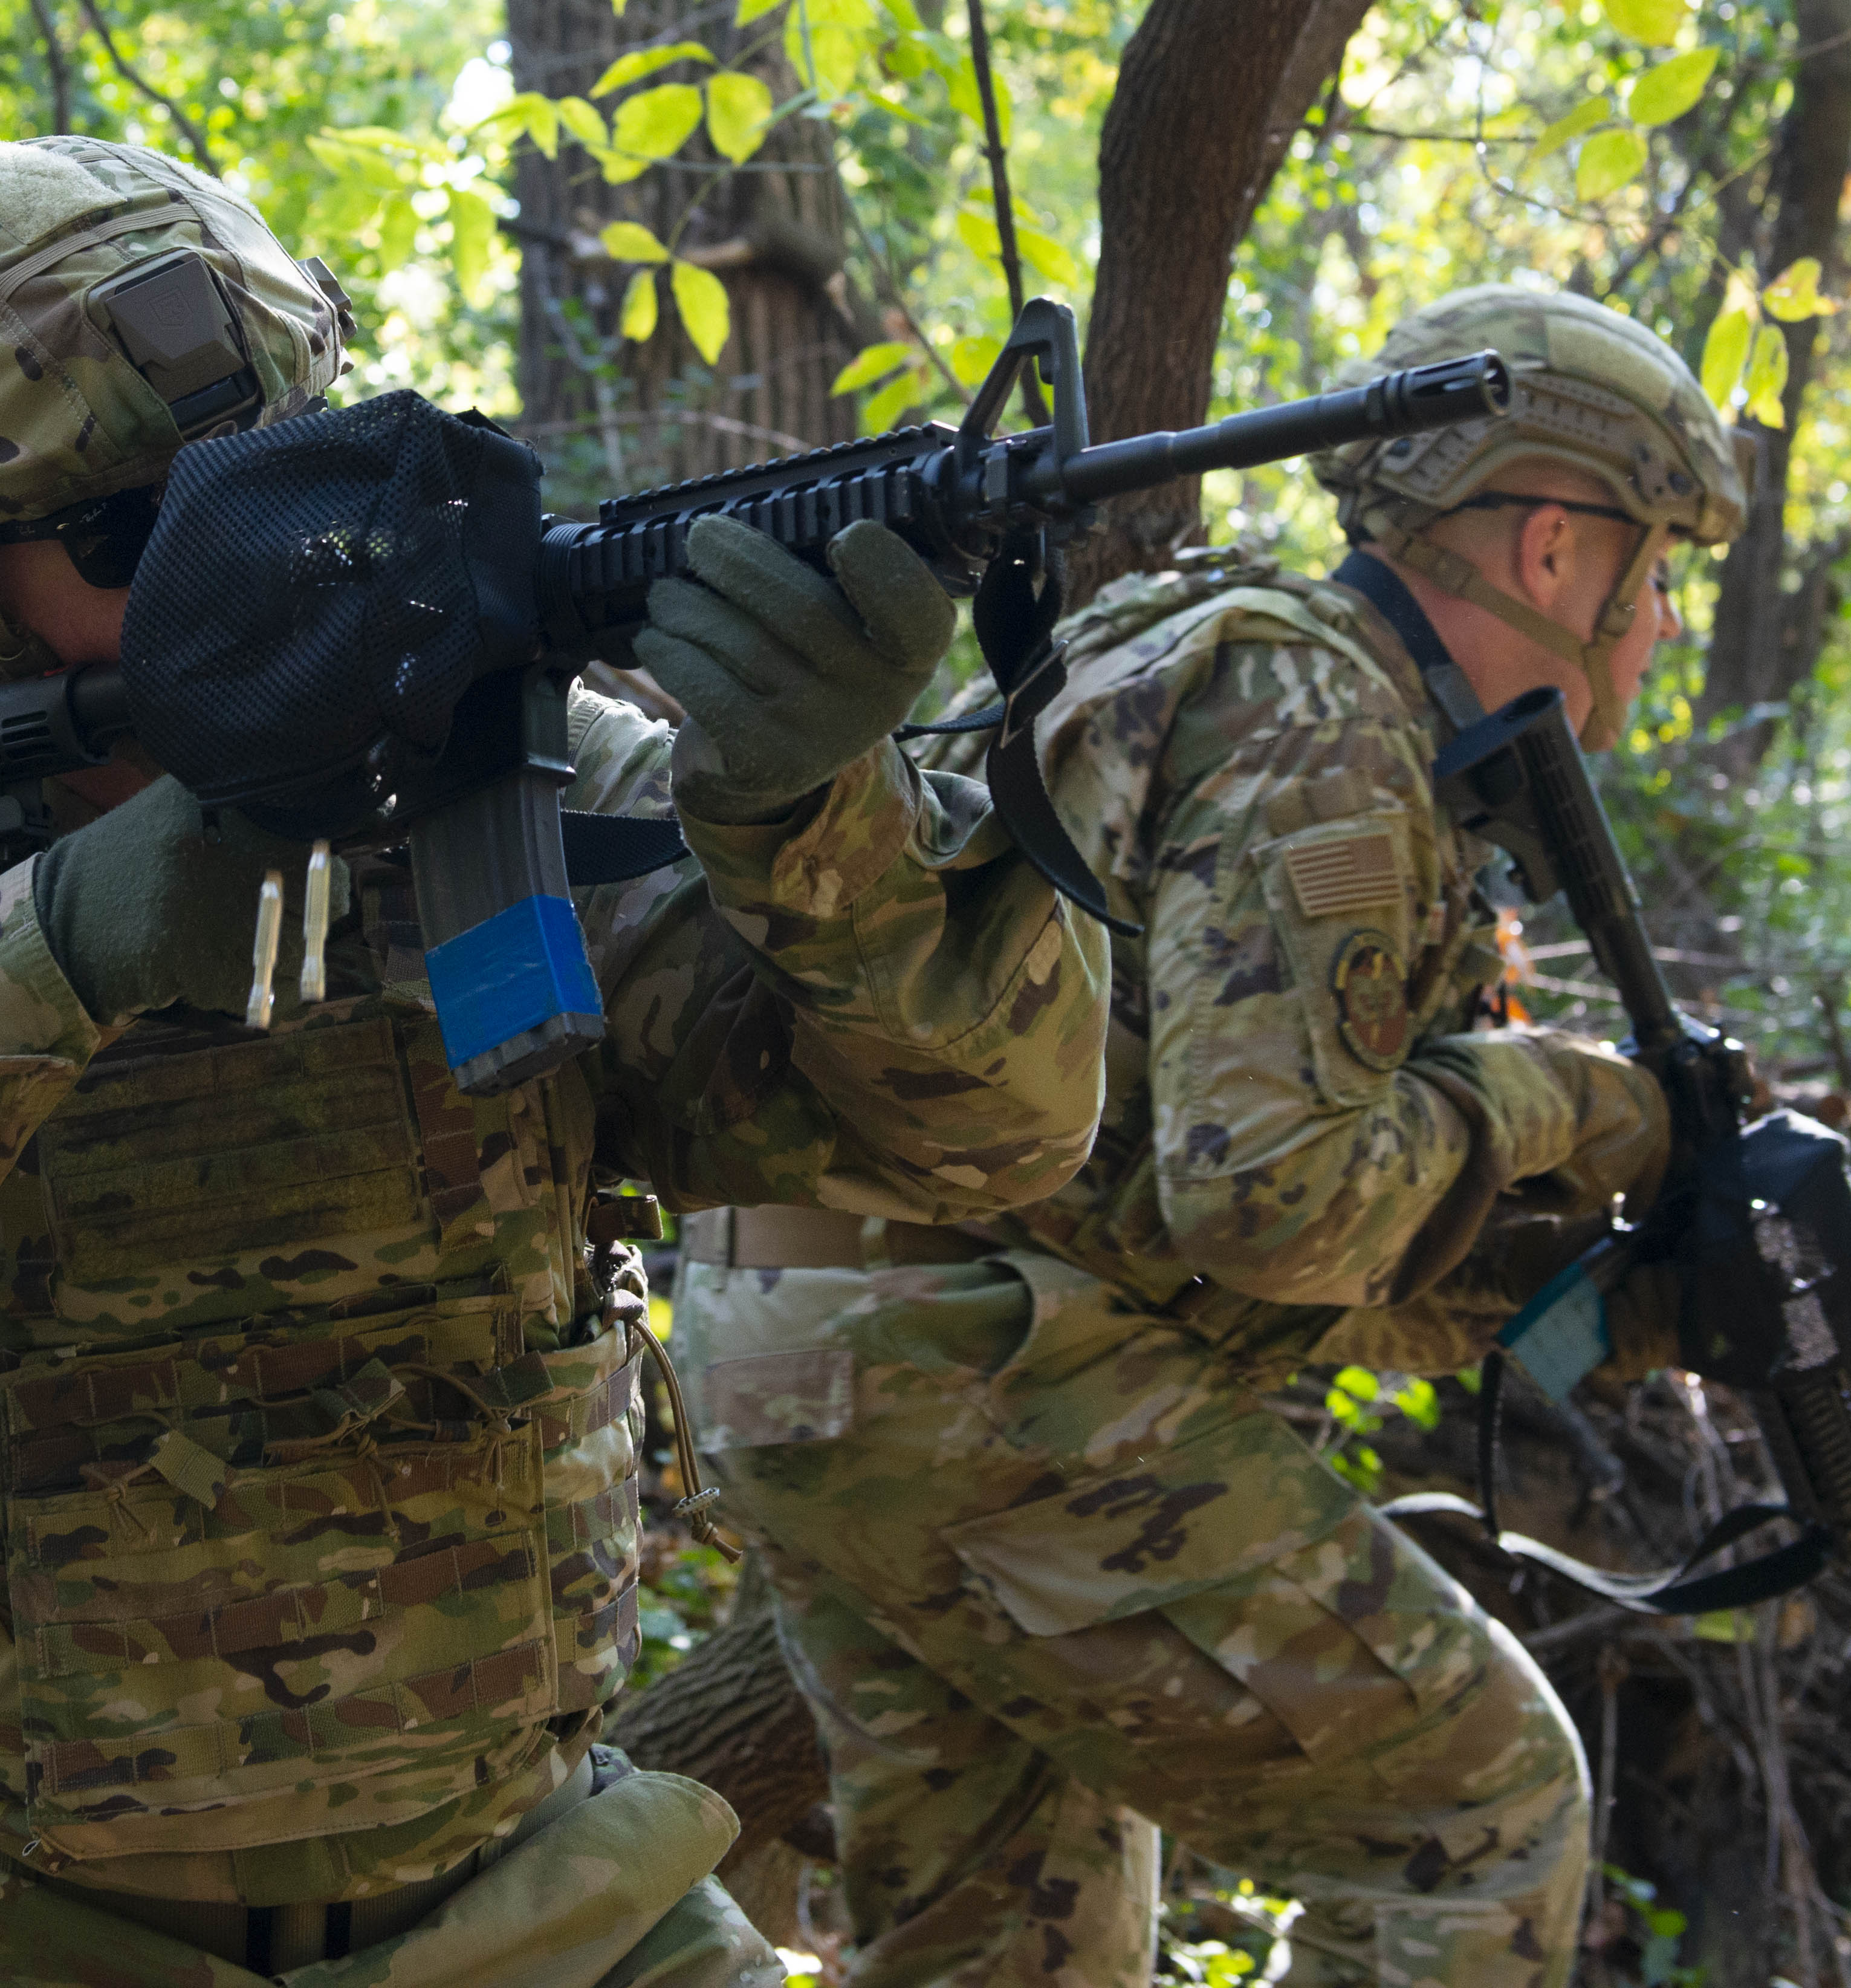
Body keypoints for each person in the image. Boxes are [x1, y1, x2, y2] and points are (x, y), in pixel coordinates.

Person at [0, 136, 1107, 1988]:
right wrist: (38, 957)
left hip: (546, 1906)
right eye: (136, 534)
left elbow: (1006, 1136)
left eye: (275, 471)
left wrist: (823, 820)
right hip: (2, 1933)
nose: (250, 559)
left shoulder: (516, 759)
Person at [669, 285, 1750, 1988]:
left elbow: (1233, 1233)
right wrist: (1580, 1103)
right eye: (1660, 568)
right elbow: (1269, 1207)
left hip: (845, 1332)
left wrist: (1605, 1311)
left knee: (1014, 1955)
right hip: (960, 1356)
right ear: (1555, 547)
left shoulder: (1238, 663)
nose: (1665, 620)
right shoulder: (1323, 729)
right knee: (1479, 1824)